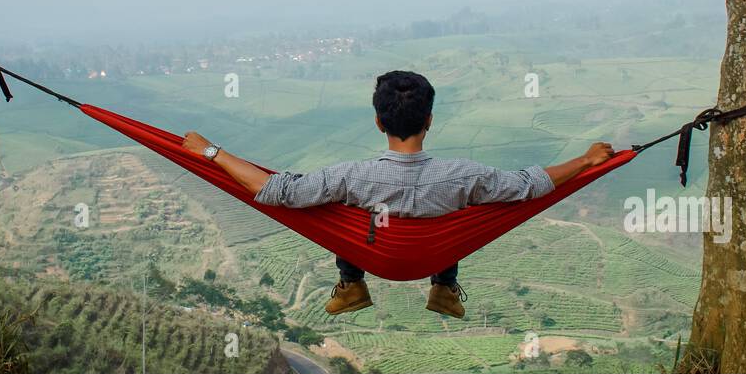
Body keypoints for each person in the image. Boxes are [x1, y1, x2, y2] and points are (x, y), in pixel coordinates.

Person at [182, 70, 614, 319]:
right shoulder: (462, 175)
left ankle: (352, 285)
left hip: (373, 251)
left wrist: (210, 151)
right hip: (433, 252)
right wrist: (585, 159)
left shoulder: (353, 176)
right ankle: (443, 288)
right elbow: (527, 184)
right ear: (429, 120)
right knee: (455, 220)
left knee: (339, 214)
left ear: (377, 122)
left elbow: (273, 189)